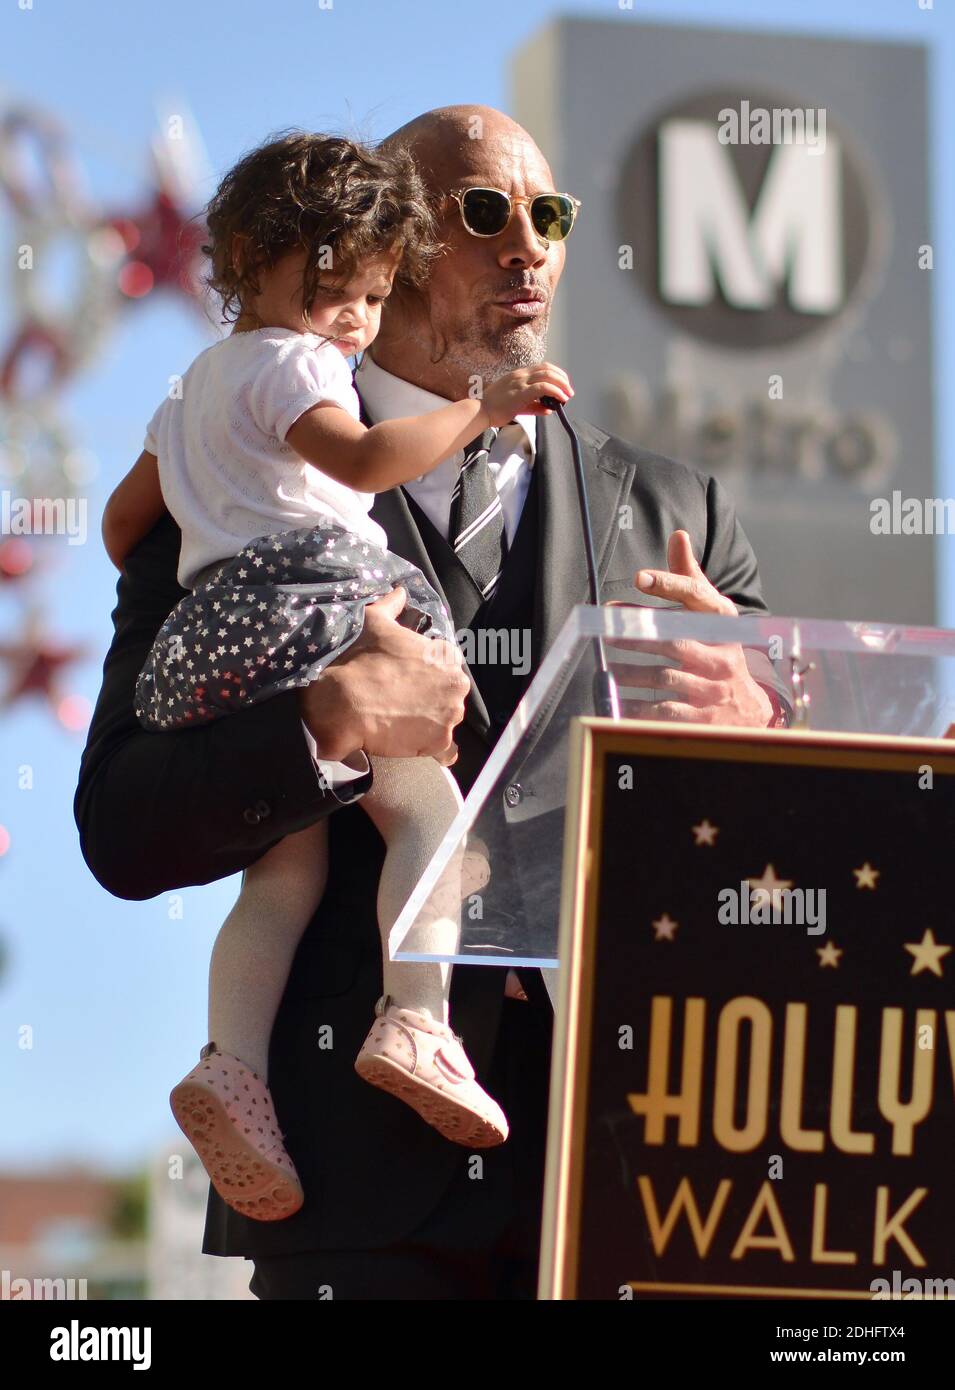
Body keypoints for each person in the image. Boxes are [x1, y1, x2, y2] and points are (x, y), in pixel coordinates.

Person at [76, 104, 787, 1299]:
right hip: (357, 1205)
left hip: (647, 1177)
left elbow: (834, 800)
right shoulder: (234, 486)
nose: (528, 245)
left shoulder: (679, 505)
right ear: (389, 243)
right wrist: (314, 729)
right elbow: (122, 829)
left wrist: (767, 721)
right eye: (483, 212)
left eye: (548, 217)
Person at [99, 130, 574, 1222]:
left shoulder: (191, 387)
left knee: (283, 872)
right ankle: (415, 1018)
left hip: (214, 647)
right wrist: (479, 409)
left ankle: (233, 1065)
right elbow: (361, 463)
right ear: (255, 267)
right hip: (318, 611)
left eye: (368, 296)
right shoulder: (305, 367)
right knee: (431, 817)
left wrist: (219, 521)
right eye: (338, 291)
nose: (353, 319)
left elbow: (129, 525)